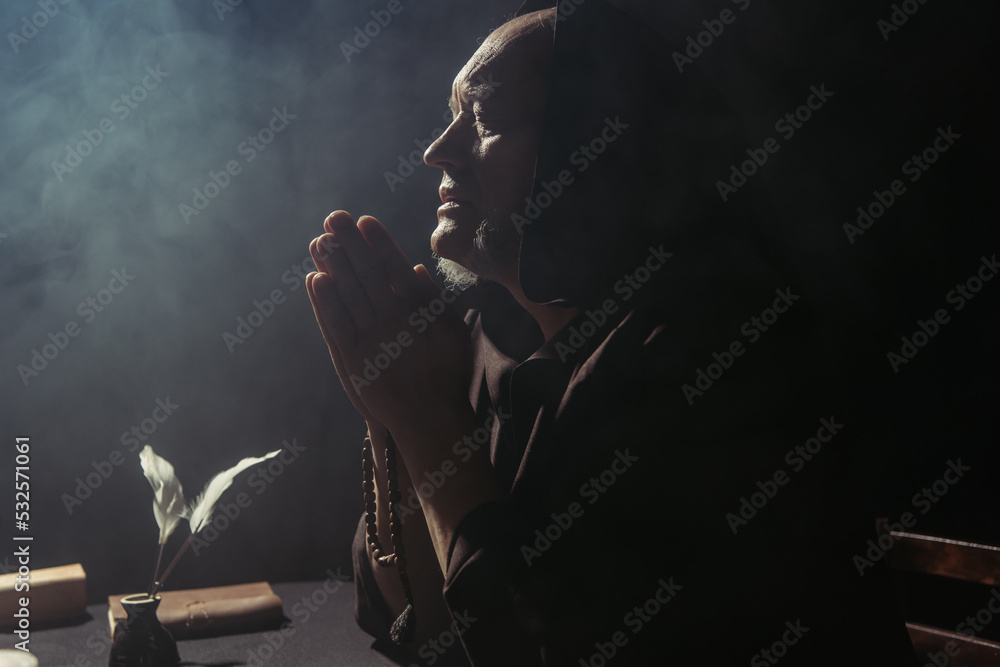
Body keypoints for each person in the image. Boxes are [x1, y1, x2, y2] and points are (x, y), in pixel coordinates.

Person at [306, 2, 919, 664]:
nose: (437, 151)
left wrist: (428, 425)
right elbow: (410, 627)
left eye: (485, 118)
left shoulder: (712, 357)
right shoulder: (488, 343)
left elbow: (536, 648)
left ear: (599, 145)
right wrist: (395, 411)